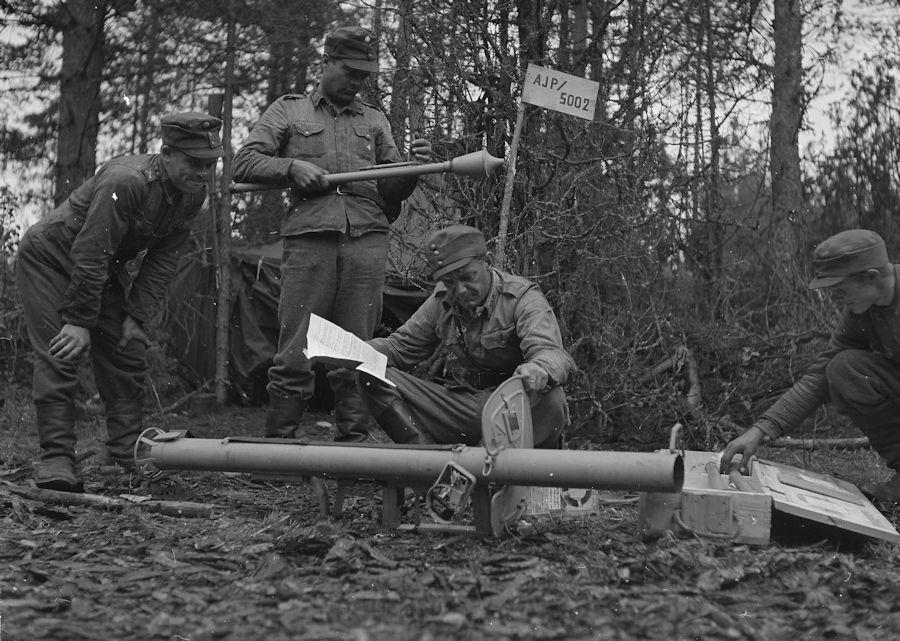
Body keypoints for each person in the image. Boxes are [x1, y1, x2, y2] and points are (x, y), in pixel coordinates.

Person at [232, 26, 432, 443]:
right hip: (310, 243)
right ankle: (279, 450)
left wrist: (413, 168)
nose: (358, 81)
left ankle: (353, 446)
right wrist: (291, 168)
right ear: (326, 63)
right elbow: (244, 162)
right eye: (350, 70)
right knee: (295, 349)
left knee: (357, 351)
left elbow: (390, 192)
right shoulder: (288, 111)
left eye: (364, 73)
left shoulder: (376, 120)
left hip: (366, 243)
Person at [16, 111, 224, 492]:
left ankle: (125, 448)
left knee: (127, 351)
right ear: (166, 153)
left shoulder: (192, 195)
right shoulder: (126, 181)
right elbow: (92, 249)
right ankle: (57, 459)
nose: (203, 173)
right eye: (194, 163)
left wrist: (137, 315)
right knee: (60, 352)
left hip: (98, 269)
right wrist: (78, 320)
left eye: (210, 164)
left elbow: (164, 259)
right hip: (50, 259)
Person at [355, 223, 576, 448]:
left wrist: (540, 369)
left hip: (511, 408)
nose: (460, 290)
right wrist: (352, 350)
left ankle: (502, 471)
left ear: (487, 263)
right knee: (370, 372)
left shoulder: (521, 299)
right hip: (461, 408)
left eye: (467, 277)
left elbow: (551, 352)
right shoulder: (441, 301)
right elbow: (398, 347)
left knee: (552, 400)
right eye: (449, 282)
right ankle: (433, 465)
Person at [720, 229, 900, 504]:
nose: (837, 299)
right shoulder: (860, 314)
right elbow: (818, 378)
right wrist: (760, 430)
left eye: (841, 290)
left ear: (871, 277)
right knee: (842, 368)